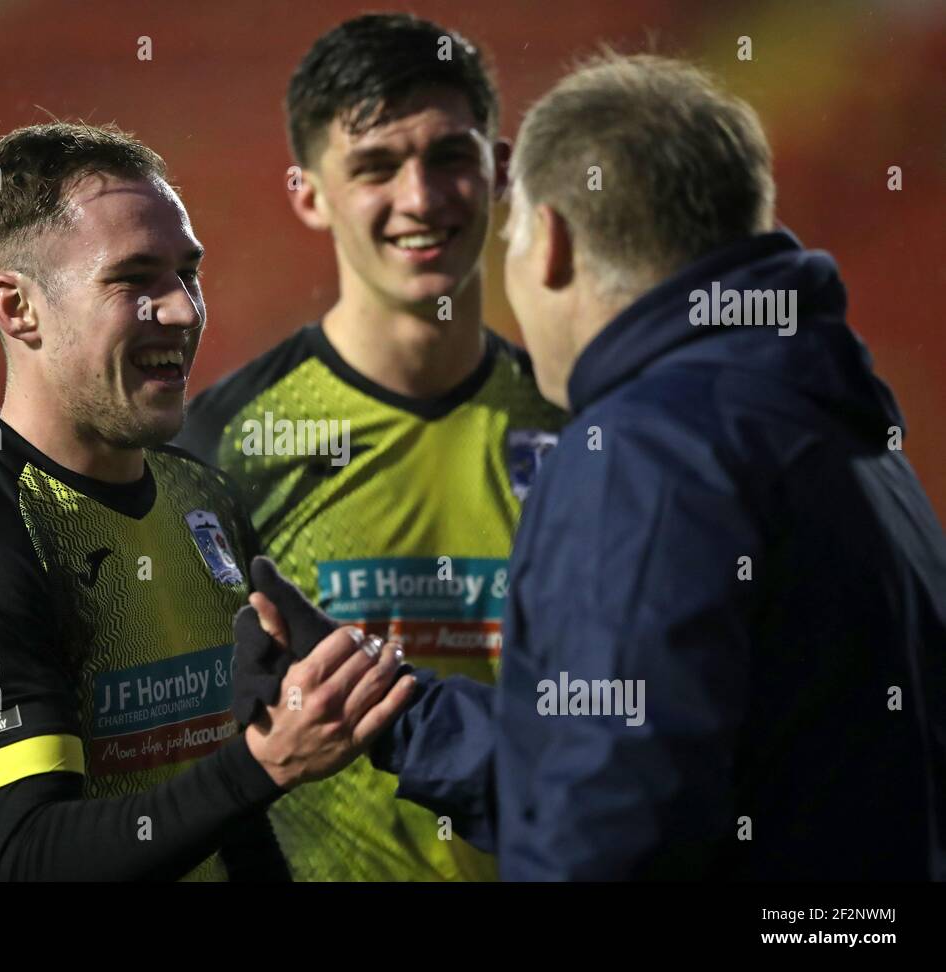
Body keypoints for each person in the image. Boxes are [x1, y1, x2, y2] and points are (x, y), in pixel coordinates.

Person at [351, 51, 946, 879]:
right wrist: (397, 714)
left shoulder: (644, 454)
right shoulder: (841, 431)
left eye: (512, 238)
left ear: (550, 241)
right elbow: (655, 763)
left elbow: (603, 841)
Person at [0, 121, 413, 881]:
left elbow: (229, 823)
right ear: (19, 308)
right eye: (134, 279)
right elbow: (32, 854)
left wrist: (258, 770)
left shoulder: (202, 500)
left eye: (189, 273)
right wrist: (263, 765)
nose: (183, 311)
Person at [176, 13, 563, 882]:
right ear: (308, 192)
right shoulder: (226, 444)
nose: (421, 198)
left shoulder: (584, 429)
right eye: (377, 166)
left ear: (499, 170)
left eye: (450, 157)